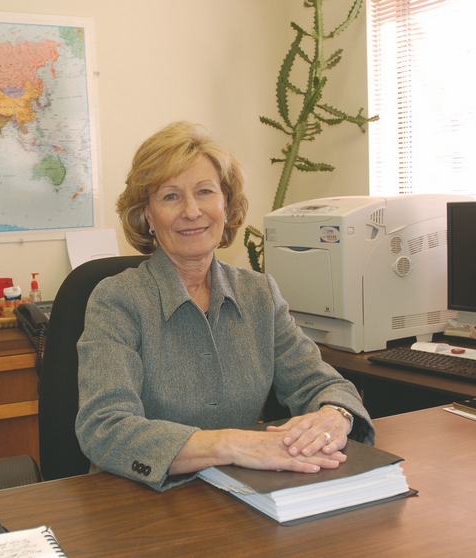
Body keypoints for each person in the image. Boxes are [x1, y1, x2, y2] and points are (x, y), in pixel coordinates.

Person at [75, 121, 374, 491]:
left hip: (241, 496)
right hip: (141, 501)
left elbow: (320, 382)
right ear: (148, 215)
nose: (192, 211)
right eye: (170, 196)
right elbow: (104, 427)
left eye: (205, 192)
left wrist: (335, 415)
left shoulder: (258, 293)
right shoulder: (118, 300)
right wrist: (231, 444)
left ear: (225, 204)